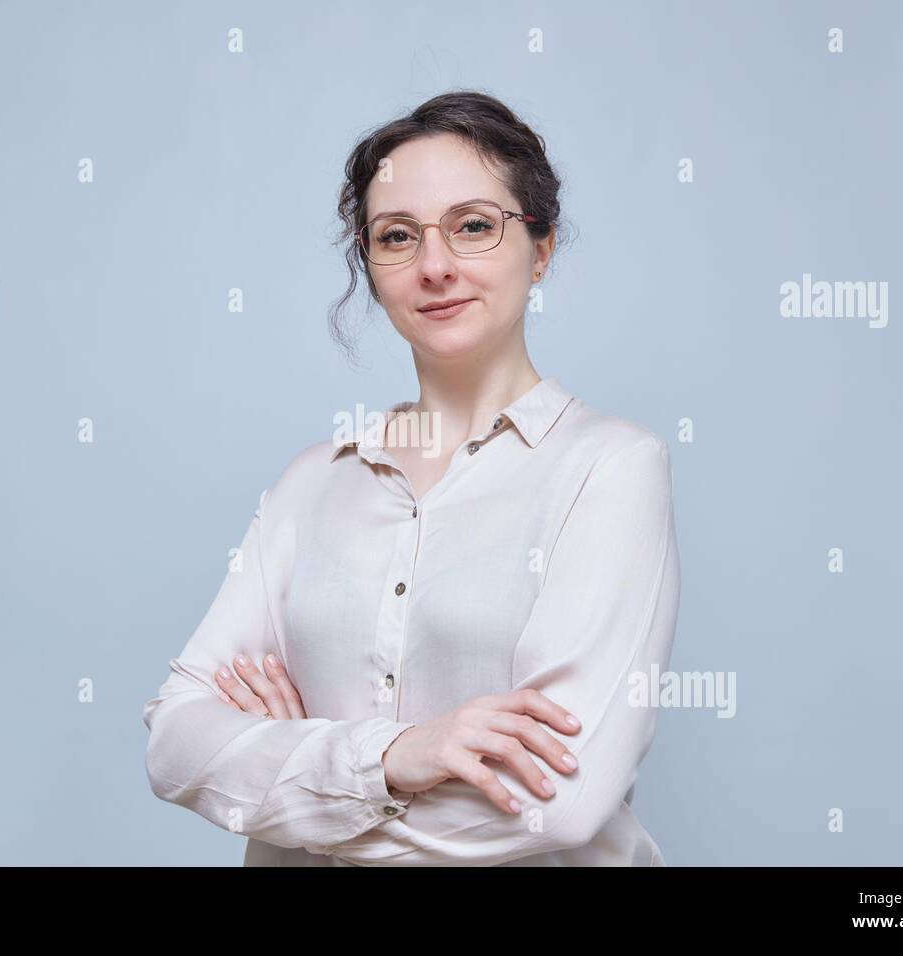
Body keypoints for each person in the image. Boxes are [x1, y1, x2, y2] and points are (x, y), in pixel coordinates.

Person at [142, 90, 681, 866]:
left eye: (473, 226)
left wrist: (292, 769)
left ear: (542, 248)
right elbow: (174, 743)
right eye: (398, 236)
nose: (435, 267)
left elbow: (557, 804)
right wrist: (398, 756)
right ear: (370, 262)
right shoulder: (311, 483)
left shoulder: (611, 467)